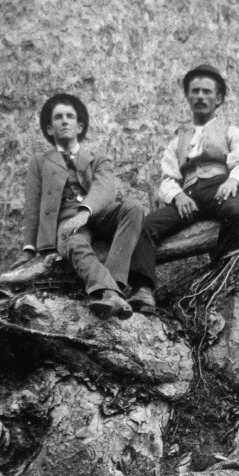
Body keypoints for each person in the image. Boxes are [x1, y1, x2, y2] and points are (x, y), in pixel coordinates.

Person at [130, 64, 239, 308]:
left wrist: (233, 180)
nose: (200, 96)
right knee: (147, 225)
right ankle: (142, 290)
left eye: (207, 91)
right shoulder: (177, 140)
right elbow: (168, 178)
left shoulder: (230, 131)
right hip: (188, 196)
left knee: (235, 212)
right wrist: (178, 196)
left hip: (219, 188)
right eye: (195, 91)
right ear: (187, 96)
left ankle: (219, 269)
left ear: (218, 98)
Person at [21, 92, 153, 318]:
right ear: (50, 129)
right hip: (65, 223)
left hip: (97, 215)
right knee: (74, 242)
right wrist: (28, 250)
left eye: (70, 116)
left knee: (133, 208)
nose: (64, 121)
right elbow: (32, 207)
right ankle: (110, 293)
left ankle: (114, 286)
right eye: (58, 117)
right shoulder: (40, 163)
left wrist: (84, 213)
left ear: (79, 127)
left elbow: (105, 188)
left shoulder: (97, 159)